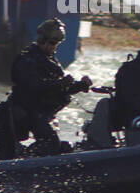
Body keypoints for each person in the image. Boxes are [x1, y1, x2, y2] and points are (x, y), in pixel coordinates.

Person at [8, 19, 91, 153]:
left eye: (57, 43)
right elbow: (33, 86)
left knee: (56, 144)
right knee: (50, 143)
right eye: (52, 43)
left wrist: (80, 85)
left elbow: (60, 88)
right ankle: (25, 159)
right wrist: (58, 84)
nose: (54, 46)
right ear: (42, 39)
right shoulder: (27, 60)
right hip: (29, 110)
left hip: (45, 111)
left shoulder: (49, 60)